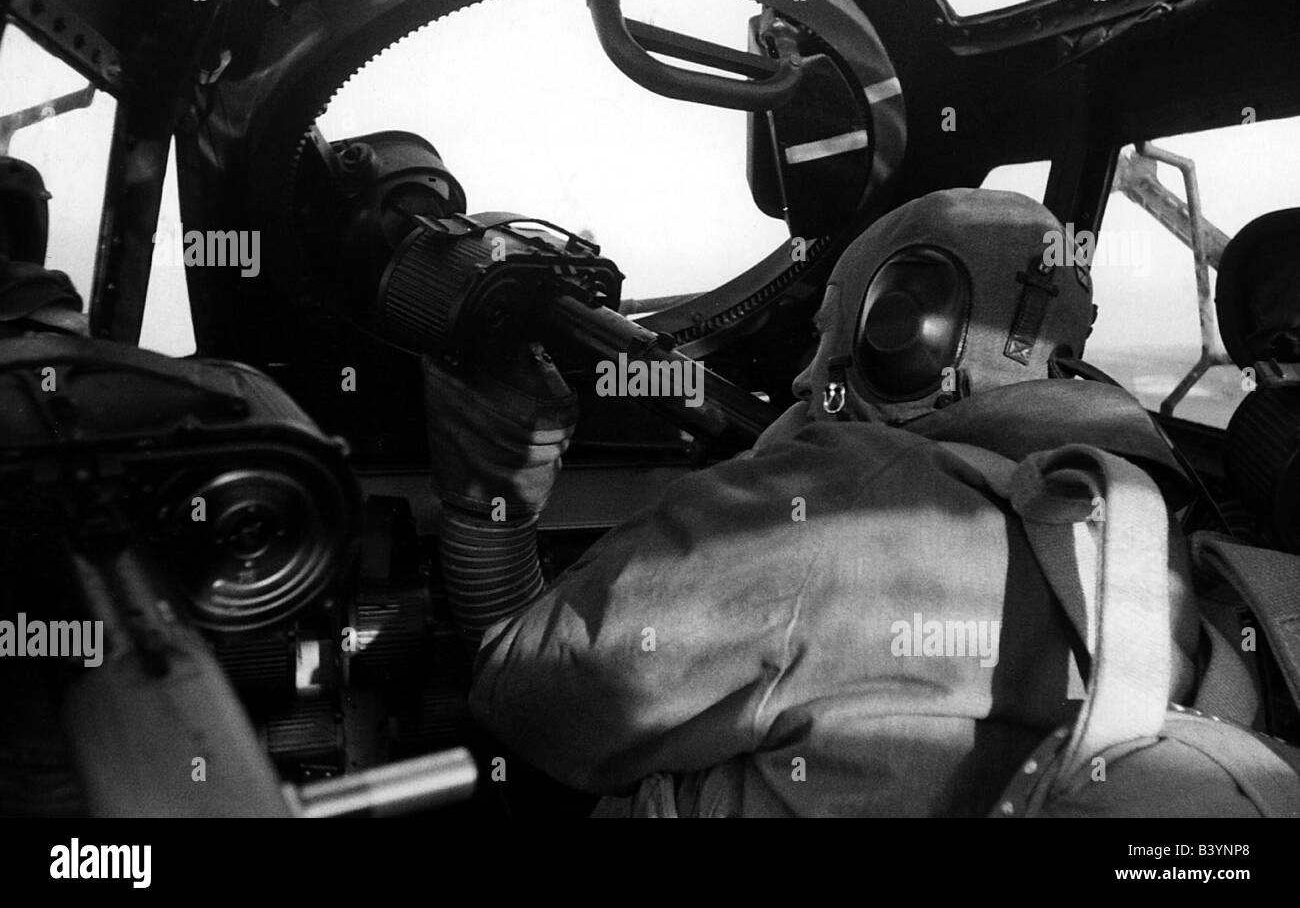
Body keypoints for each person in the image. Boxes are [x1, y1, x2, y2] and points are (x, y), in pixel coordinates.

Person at [422, 188, 1201, 816]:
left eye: (831, 333)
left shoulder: (841, 497)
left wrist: (490, 503)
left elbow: (535, 696)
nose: (801, 379)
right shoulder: (1159, 515)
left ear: (907, 330)